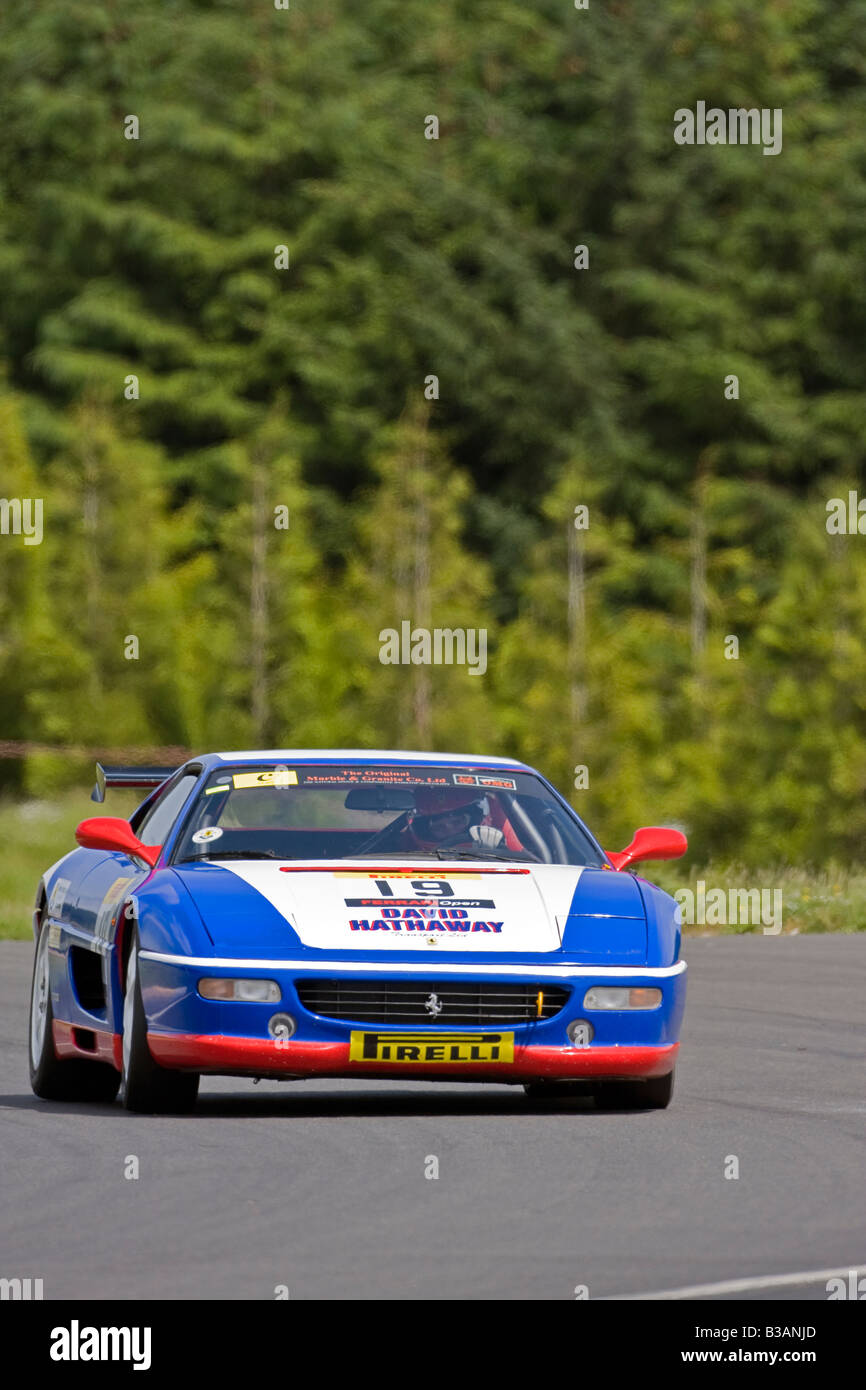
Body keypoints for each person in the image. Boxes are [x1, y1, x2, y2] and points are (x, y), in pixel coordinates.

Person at [398, 786, 505, 852]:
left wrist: (495, 850)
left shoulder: (504, 837)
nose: (452, 832)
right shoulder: (406, 853)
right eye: (439, 828)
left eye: (458, 822)